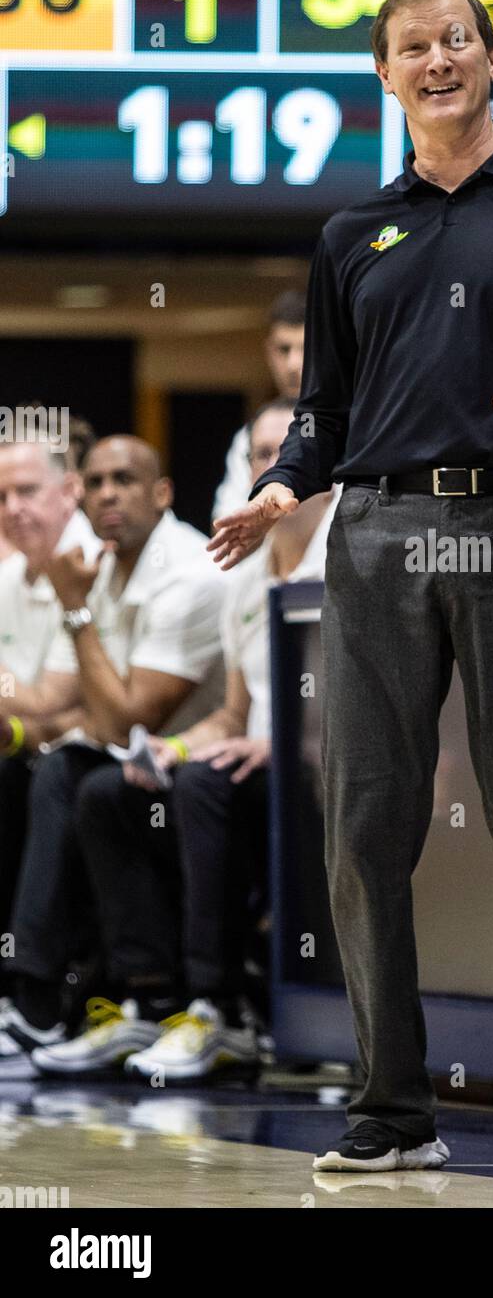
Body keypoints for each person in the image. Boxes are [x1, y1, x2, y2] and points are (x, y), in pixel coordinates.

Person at [208, 0, 493, 1174]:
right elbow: (325, 413)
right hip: (374, 539)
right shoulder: (355, 234)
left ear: (490, 59)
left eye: (457, 39)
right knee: (362, 829)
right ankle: (391, 1113)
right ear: (387, 75)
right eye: (415, 47)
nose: (439, 59)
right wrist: (279, 488)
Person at [28, 404, 337, 1081]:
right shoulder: (246, 575)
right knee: (110, 789)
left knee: (200, 787)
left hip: (322, 769)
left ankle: (216, 1006)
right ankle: (149, 997)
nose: (270, 463)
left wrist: (282, 745)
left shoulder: (346, 562)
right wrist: (174, 748)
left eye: (284, 448)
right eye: (258, 453)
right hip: (243, 766)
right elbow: (231, 716)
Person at [0, 436, 226, 1078]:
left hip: (200, 762)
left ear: (162, 494)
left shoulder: (187, 572)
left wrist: (74, 608)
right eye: (96, 482)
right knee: (63, 774)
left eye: (123, 480)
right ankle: (119, 999)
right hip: (138, 761)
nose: (106, 495)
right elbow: (84, 713)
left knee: (72, 779)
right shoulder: (99, 564)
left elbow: (121, 718)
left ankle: (43, 1001)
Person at [0, 439, 101, 959]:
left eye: (26, 491)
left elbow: (52, 699)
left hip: (116, 752)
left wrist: (16, 698)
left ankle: (32, 984)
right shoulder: (11, 575)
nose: (12, 508)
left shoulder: (91, 563)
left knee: (52, 777)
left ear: (68, 491)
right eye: (2, 496)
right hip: (38, 749)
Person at [211, 291, 306, 522]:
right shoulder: (248, 436)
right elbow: (226, 523)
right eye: (284, 350)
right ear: (269, 352)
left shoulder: (360, 430)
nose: (293, 364)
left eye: (307, 348)